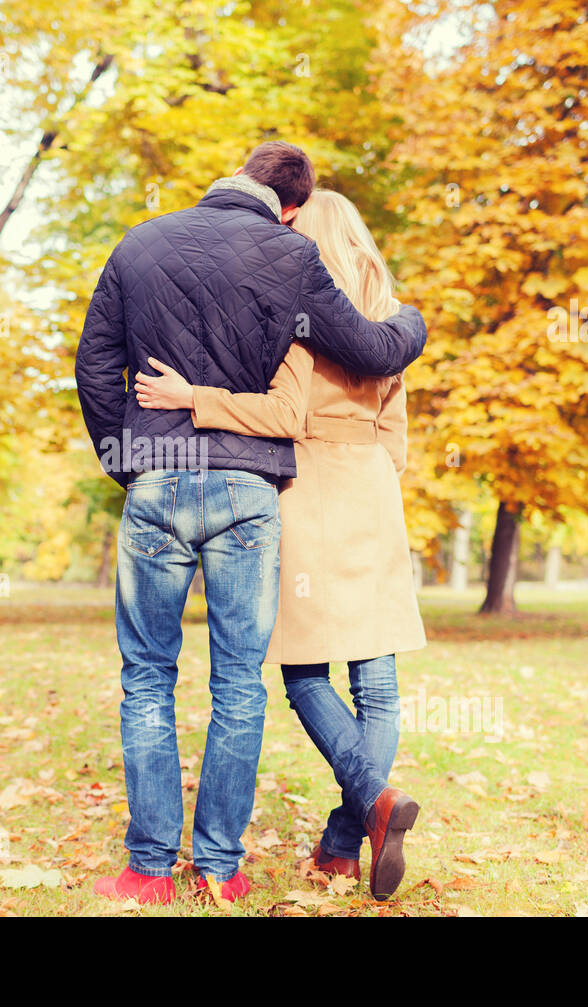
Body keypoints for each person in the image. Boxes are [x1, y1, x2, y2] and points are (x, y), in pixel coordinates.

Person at [74, 142, 427, 905]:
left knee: (147, 677)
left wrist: (130, 457)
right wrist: (412, 326)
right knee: (244, 682)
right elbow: (373, 353)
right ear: (289, 206)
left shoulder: (139, 242)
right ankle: (224, 868)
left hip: (162, 479)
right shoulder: (290, 262)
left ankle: (148, 869)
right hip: (254, 488)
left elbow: (94, 365)